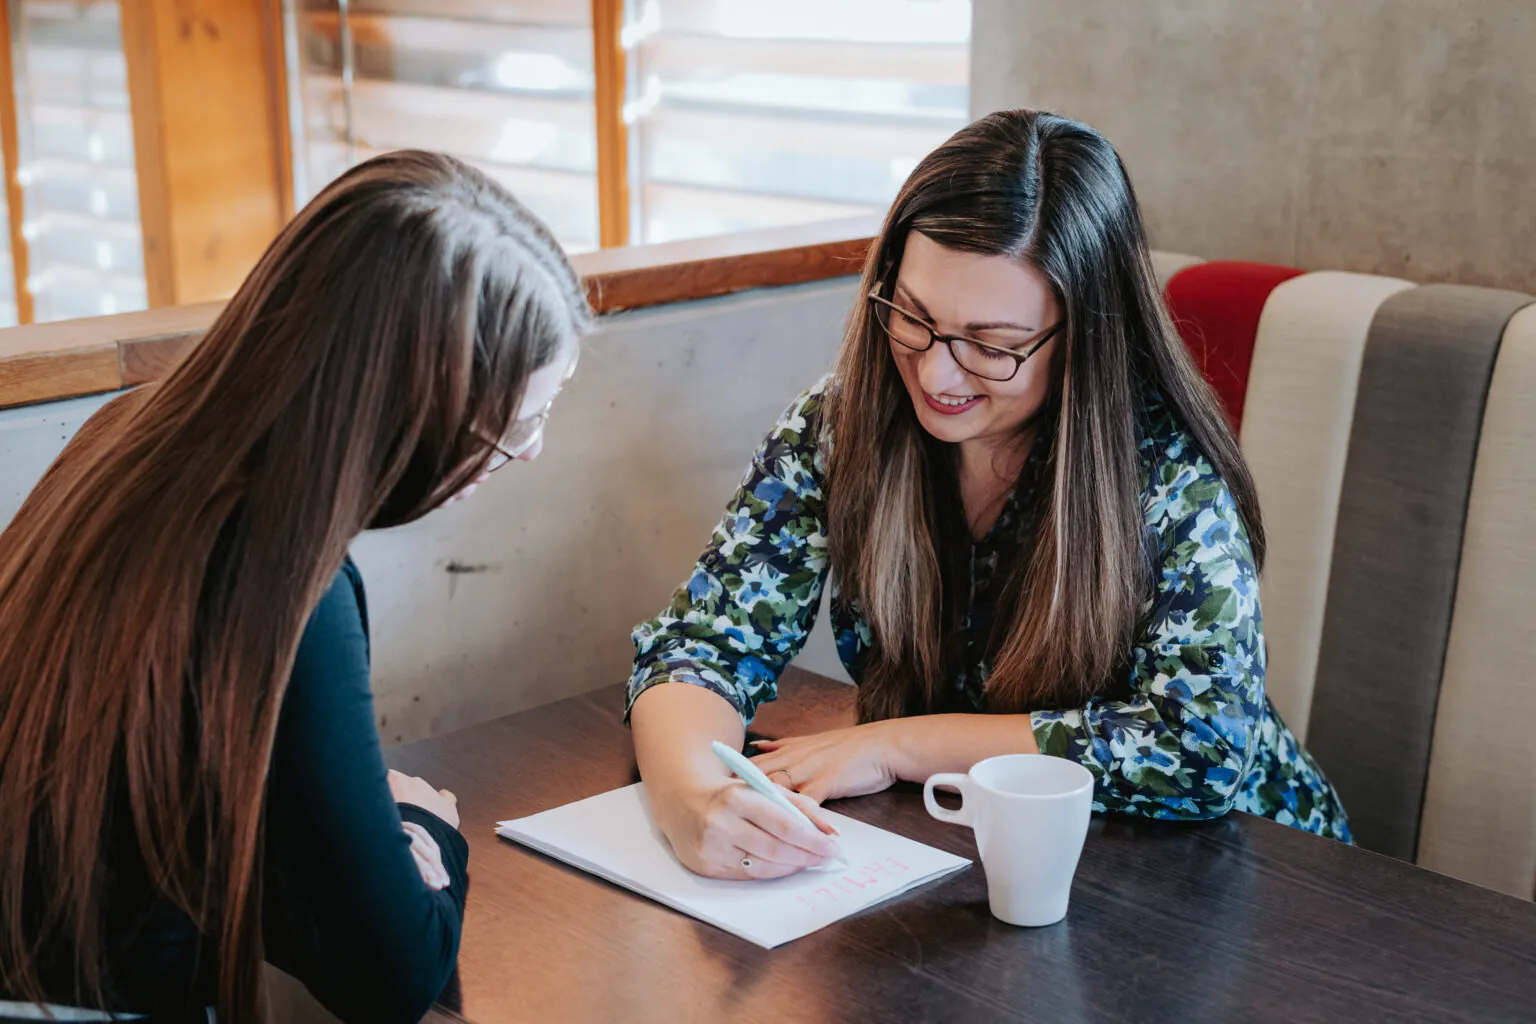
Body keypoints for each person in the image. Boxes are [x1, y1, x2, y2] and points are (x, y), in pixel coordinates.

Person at [627, 109, 1351, 881]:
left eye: (993, 345)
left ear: (1084, 337)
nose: (936, 375)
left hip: (1249, 876)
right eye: (913, 316)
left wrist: (896, 744)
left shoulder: (1169, 480)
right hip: (980, 852)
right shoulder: (841, 425)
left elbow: (1198, 752)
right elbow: (703, 643)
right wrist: (693, 801)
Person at [0, 151, 589, 1023]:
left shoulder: (126, 436)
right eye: (518, 424)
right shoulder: (283, 583)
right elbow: (392, 977)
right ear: (416, 403)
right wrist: (426, 832)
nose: (530, 451)